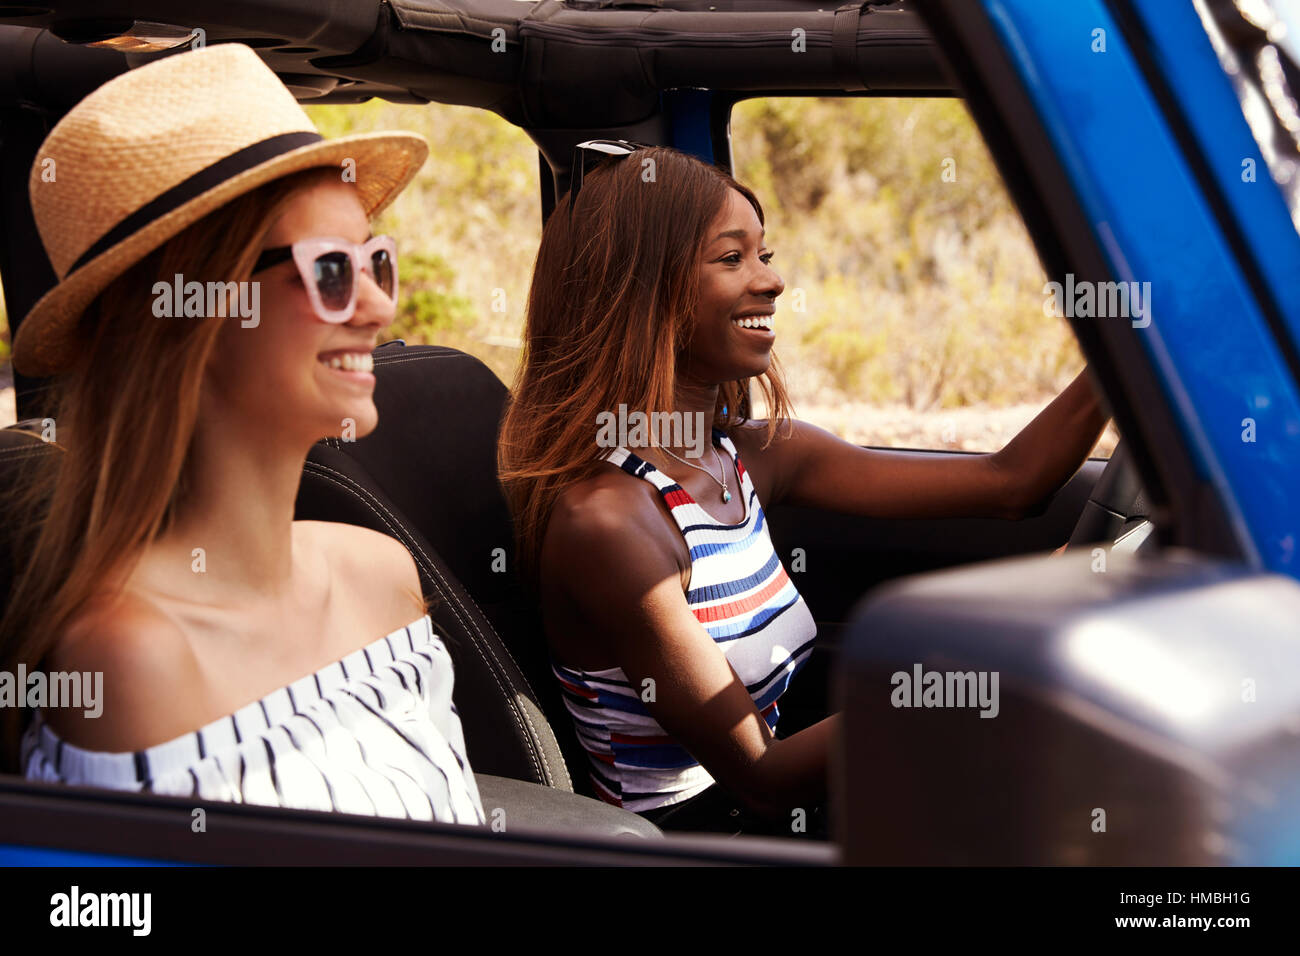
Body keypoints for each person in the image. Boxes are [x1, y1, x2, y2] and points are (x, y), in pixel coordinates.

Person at [498, 143, 1110, 837]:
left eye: (765, 254)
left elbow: (1012, 484)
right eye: (732, 259)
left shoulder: (754, 456)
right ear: (641, 289)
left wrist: (1127, 344)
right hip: (701, 842)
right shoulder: (608, 523)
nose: (773, 280)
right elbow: (762, 778)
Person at [0, 44, 484, 825]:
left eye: (377, 264)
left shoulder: (381, 574)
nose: (378, 308)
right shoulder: (133, 658)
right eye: (330, 270)